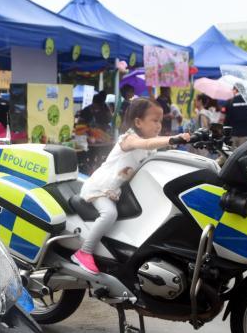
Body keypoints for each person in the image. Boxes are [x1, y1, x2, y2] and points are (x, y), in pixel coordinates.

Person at [72, 98, 189, 274]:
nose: (159, 125)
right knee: (109, 214)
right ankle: (84, 252)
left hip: (115, 190)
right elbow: (146, 143)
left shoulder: (151, 148)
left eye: (161, 121)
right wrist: (174, 138)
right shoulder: (128, 139)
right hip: (100, 187)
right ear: (138, 122)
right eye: (155, 120)